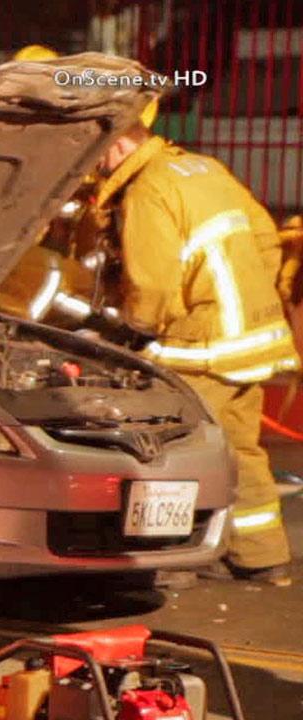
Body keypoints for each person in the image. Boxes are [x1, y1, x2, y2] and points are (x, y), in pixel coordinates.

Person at [97, 117, 298, 587]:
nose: (98, 166)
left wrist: (134, 327)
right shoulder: (203, 168)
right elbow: (267, 239)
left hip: (205, 347)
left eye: (102, 153)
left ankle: (172, 559)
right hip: (255, 339)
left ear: (124, 143)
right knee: (240, 447)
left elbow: (154, 285)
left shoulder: (148, 187)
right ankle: (263, 558)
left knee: (171, 448)